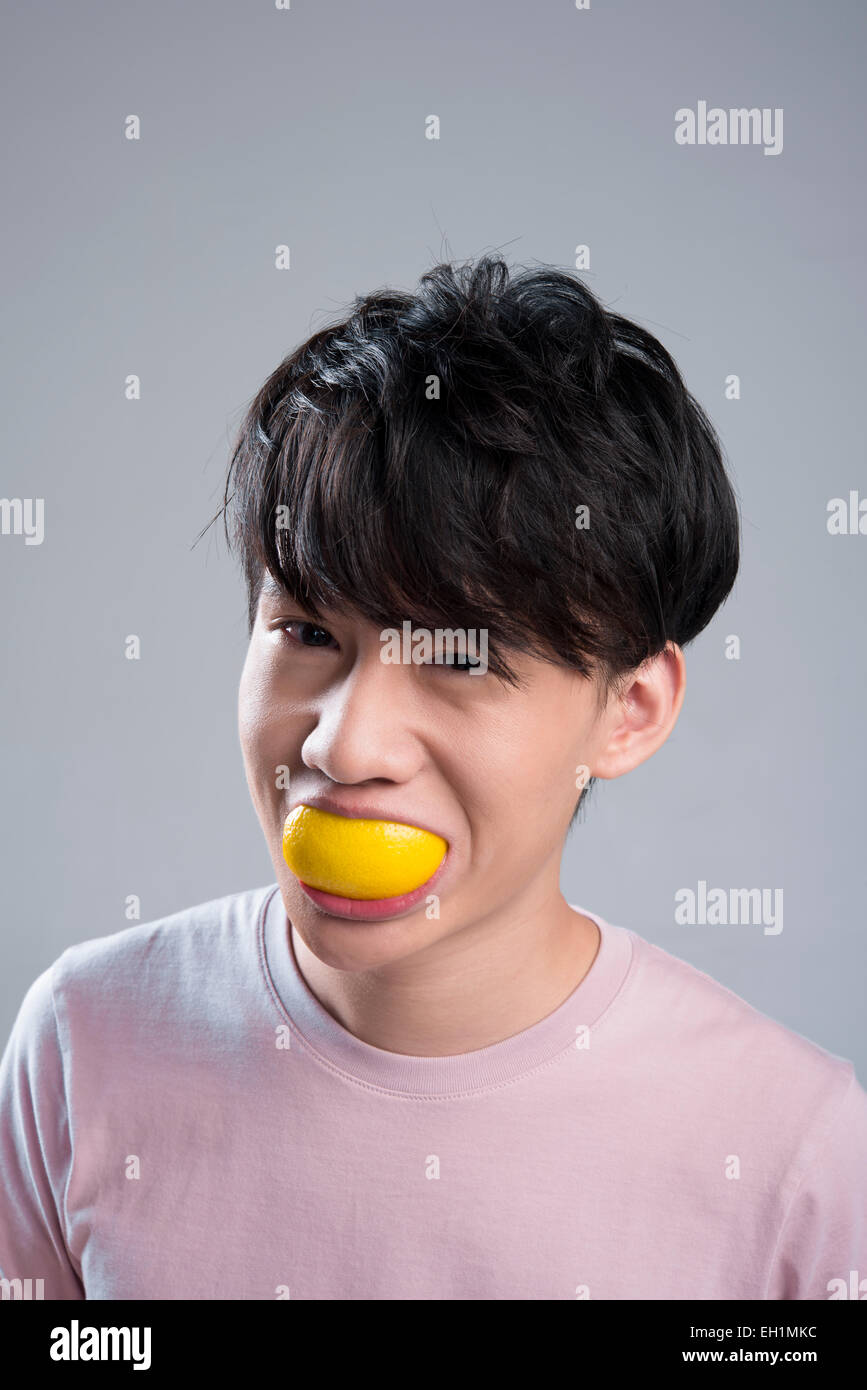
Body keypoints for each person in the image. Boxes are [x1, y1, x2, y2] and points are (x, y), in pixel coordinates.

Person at [1, 256, 864, 1300]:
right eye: (308, 630)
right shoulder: (81, 1044)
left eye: (457, 657)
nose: (345, 745)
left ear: (629, 710)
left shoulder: (797, 1155)